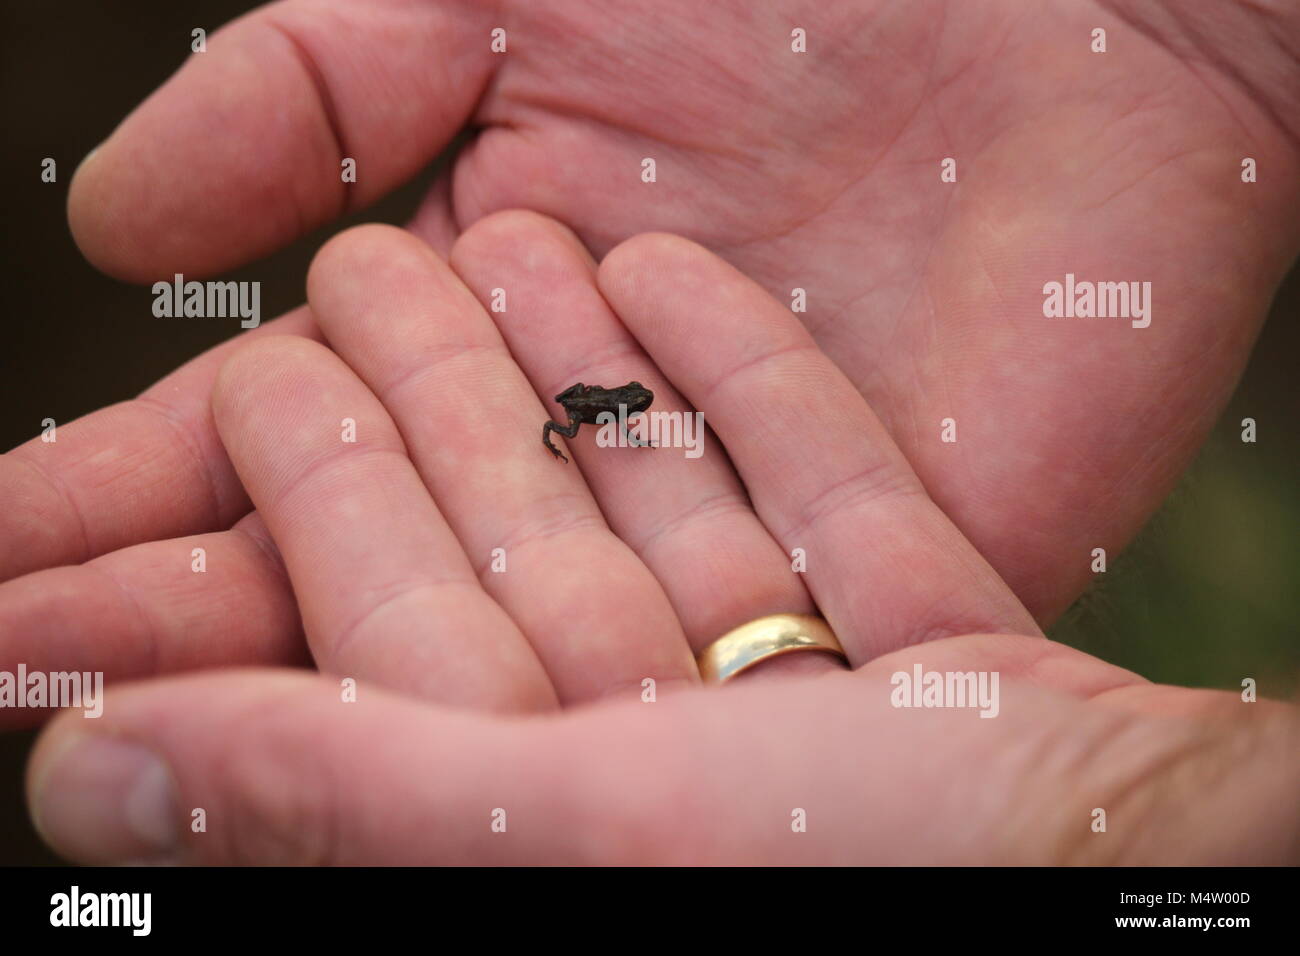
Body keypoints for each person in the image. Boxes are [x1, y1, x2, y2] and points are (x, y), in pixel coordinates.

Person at [6, 0, 1300, 863]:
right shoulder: (588, 408)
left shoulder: (624, 405)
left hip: (599, 403)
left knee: (607, 413)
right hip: (580, 405)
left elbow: (617, 411)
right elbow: (581, 415)